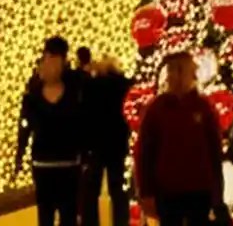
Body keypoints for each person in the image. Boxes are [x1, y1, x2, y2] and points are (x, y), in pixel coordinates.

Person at [135, 51, 225, 226]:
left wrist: (217, 191)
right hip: (168, 190)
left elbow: (214, 151)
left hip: (199, 189)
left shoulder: (203, 107)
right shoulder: (157, 109)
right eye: (172, 70)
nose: (176, 76)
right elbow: (145, 153)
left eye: (181, 70)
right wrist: (146, 192)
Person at [16, 36, 85, 226]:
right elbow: (25, 127)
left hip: (68, 164)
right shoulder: (32, 96)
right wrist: (20, 154)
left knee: (68, 215)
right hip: (43, 164)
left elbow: (83, 124)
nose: (50, 64)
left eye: (55, 58)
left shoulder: (75, 90)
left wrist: (85, 153)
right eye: (47, 58)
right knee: (45, 215)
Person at [83, 56, 133, 226]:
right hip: (118, 143)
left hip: (95, 143)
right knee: (118, 191)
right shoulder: (124, 85)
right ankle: (121, 222)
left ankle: (91, 222)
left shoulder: (91, 86)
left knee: (91, 191)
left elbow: (85, 114)